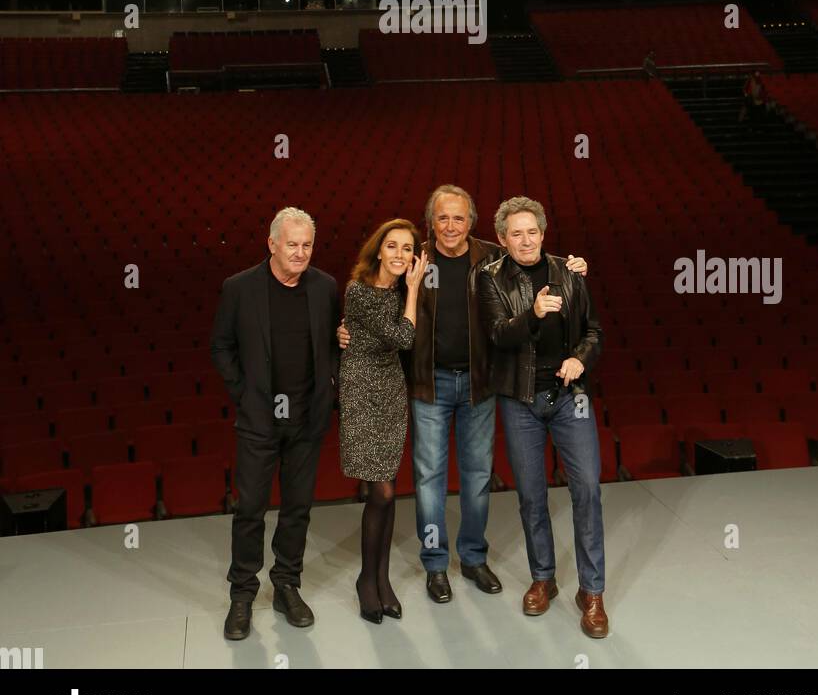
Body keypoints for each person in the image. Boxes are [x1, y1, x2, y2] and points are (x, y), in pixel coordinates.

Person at [337, 184, 588, 605]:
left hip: (479, 384)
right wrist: (345, 331)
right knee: (430, 479)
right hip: (427, 383)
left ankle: (472, 557)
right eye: (442, 217)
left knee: (476, 477)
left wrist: (572, 265)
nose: (450, 226)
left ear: (470, 222)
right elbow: (373, 296)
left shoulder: (491, 256)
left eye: (458, 218)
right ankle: (436, 565)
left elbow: (534, 259)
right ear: (430, 223)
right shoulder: (414, 258)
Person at [476, 196, 608, 638]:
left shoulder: (569, 272)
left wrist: (581, 360)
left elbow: (593, 331)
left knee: (587, 489)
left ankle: (592, 593)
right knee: (532, 495)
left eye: (532, 231)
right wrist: (530, 314)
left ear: (543, 233)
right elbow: (497, 335)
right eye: (516, 233)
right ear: (502, 239)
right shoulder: (490, 277)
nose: (526, 240)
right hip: (519, 400)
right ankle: (544, 577)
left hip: (571, 397)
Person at [210, 206, 340, 641]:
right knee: (249, 510)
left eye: (306, 245)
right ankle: (243, 595)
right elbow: (222, 346)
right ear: (272, 245)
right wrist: (245, 396)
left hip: (307, 418)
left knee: (298, 509)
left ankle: (287, 584)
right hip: (260, 421)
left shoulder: (325, 287)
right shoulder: (240, 288)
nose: (300, 253)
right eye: (292, 245)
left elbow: (332, 348)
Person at [339, 219, 428, 623]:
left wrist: (408, 293)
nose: (399, 255)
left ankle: (381, 579)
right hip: (362, 393)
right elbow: (404, 337)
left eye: (407, 249)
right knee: (384, 493)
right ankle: (366, 580)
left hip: (391, 391)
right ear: (379, 250)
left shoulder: (395, 291)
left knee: (387, 490)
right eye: (392, 246)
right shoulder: (360, 292)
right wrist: (413, 291)